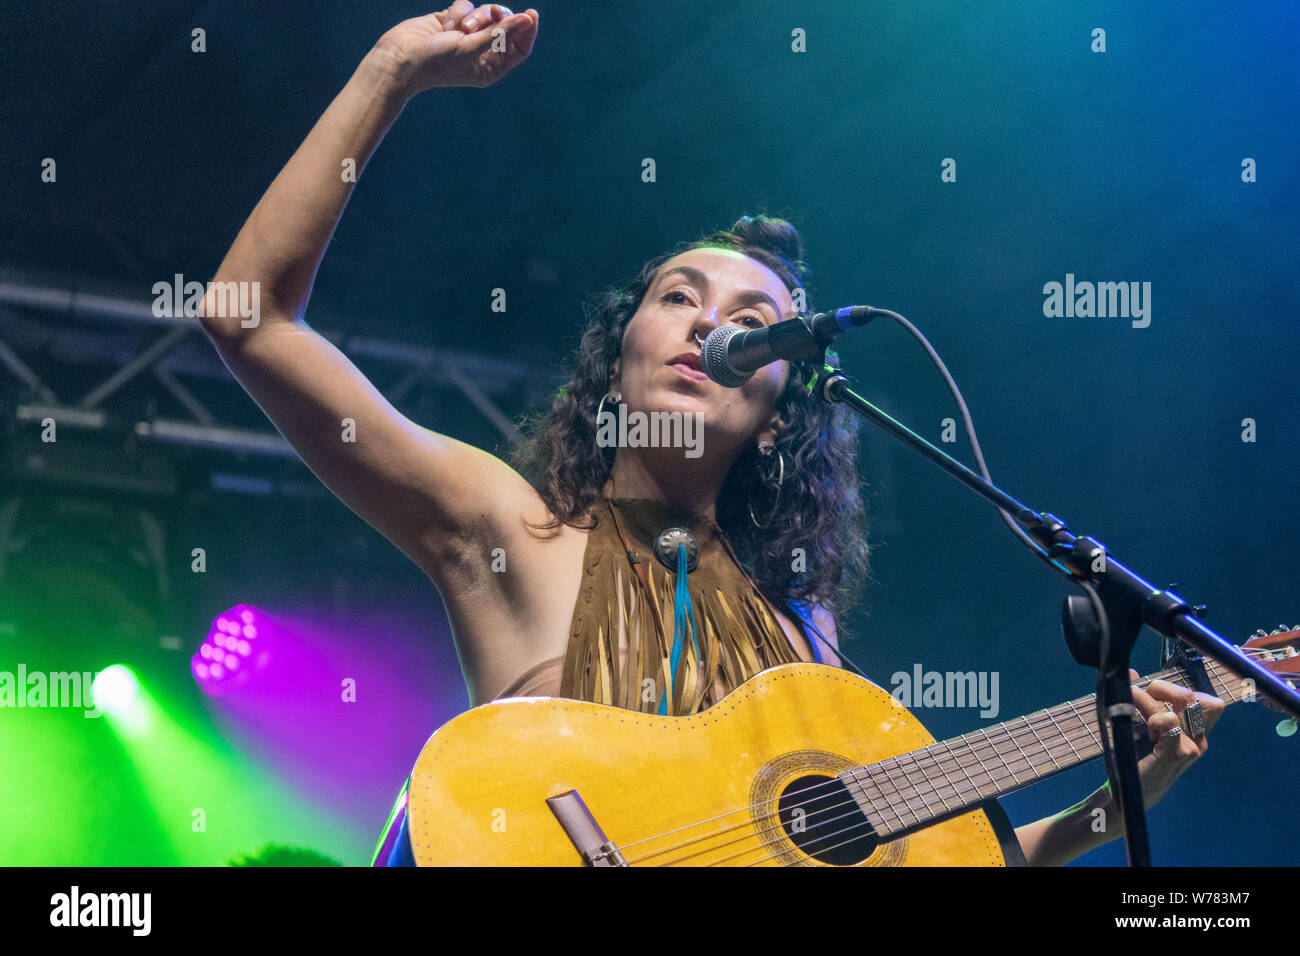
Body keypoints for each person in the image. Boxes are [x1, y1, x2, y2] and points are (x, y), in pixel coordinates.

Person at [197, 3, 1224, 867]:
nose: (709, 324)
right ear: (617, 354)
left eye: (748, 315)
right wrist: (391, 73)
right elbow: (248, 317)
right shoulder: (503, 520)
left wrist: (1118, 793)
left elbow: (940, 859)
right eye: (678, 295)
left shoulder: (799, 616)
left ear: (783, 395)